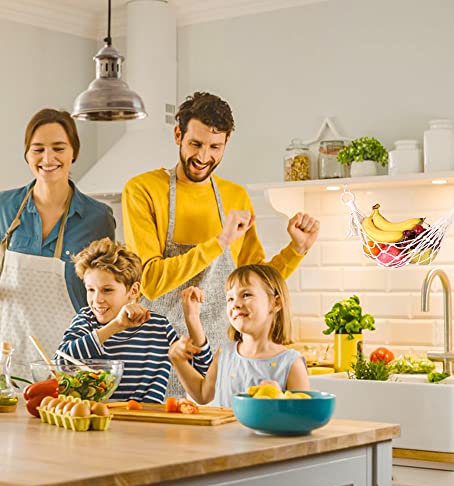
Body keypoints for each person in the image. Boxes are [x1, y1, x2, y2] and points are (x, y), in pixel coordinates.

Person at [122, 92, 319, 395]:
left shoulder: (235, 196)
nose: (203, 157)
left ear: (227, 143)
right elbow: (151, 282)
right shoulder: (143, 190)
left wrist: (296, 249)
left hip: (220, 357)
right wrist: (219, 242)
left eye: (215, 147)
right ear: (178, 135)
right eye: (195, 144)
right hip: (158, 356)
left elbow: (258, 280)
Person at [0, 109, 115, 379]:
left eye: (58, 148)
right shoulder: (4, 208)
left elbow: (106, 292)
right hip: (6, 358)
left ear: (73, 151)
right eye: (38, 149)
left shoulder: (98, 218)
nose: (47, 158)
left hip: (70, 360)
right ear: (27, 154)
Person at [56, 238, 212, 403]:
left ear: (133, 290)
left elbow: (203, 374)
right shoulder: (85, 321)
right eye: (90, 290)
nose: (97, 299)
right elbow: (61, 363)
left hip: (146, 423)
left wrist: (193, 319)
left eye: (107, 290)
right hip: (97, 420)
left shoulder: (158, 327)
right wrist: (116, 326)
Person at [169, 264, 310, 407]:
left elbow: (302, 417)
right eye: (230, 298)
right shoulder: (225, 354)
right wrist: (178, 361)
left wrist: (278, 399)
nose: (235, 304)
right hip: (224, 431)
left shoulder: (291, 364)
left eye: (246, 295)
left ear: (276, 303)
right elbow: (202, 394)